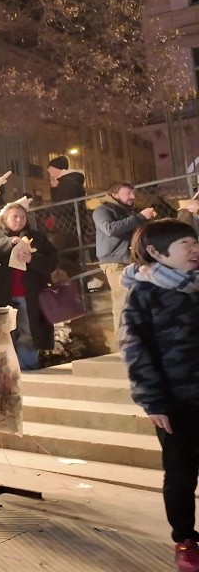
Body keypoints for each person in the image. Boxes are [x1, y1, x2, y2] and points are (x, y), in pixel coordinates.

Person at [118, 219, 199, 572]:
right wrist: (152, 401)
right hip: (177, 402)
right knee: (181, 474)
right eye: (186, 244)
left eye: (195, 242)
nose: (195, 250)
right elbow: (134, 350)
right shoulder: (143, 293)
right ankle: (185, 539)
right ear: (156, 252)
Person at [0, 203, 62, 370]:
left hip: (29, 294)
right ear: (5, 219)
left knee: (29, 332)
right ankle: (5, 370)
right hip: (0, 294)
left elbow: (53, 261)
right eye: (14, 217)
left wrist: (32, 259)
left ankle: (28, 367)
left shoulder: (37, 237)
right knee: (1, 334)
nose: (19, 220)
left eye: (22, 217)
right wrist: (8, 243)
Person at [95, 182, 156, 334]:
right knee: (123, 302)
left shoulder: (128, 212)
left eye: (133, 193)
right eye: (128, 193)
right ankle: (125, 342)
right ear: (115, 194)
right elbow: (110, 229)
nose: (133, 196)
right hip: (115, 261)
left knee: (138, 301)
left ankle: (138, 339)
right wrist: (140, 217)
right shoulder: (102, 210)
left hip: (132, 259)